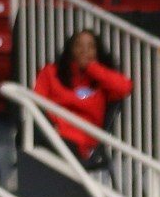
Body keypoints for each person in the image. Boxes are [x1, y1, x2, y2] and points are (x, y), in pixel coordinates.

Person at [32, 31, 132, 166]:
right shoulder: (50, 72)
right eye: (79, 45)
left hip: (80, 142)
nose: (84, 51)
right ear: (70, 50)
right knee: (28, 130)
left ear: (98, 52)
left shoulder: (103, 82)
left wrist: (92, 68)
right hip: (50, 130)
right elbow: (36, 101)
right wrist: (53, 124)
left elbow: (125, 87)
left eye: (91, 46)